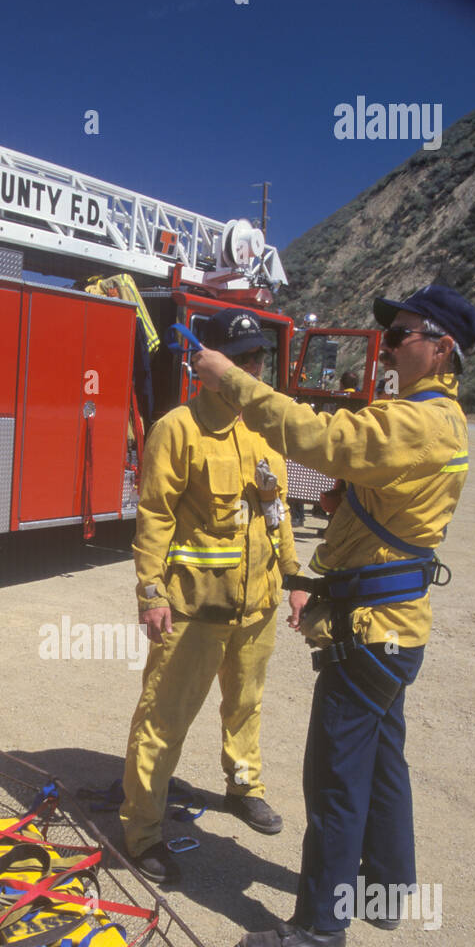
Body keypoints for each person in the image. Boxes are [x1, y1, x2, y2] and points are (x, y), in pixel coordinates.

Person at [192, 284, 475, 947]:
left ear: (441, 348)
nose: (389, 344)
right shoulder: (428, 418)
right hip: (393, 627)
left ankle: (321, 926)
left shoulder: (424, 421)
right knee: (382, 763)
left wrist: (230, 380)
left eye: (403, 334)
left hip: (374, 630)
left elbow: (321, 439)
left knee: (335, 778)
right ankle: (384, 890)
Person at [120, 310, 307, 884]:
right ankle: (143, 832)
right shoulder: (176, 428)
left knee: (246, 704)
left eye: (258, 359)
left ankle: (243, 786)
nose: (254, 368)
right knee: (164, 718)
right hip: (194, 608)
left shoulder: (264, 427)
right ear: (209, 364)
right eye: (243, 358)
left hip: (259, 604)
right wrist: (151, 594)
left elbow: (279, 513)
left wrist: (295, 577)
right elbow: (154, 516)